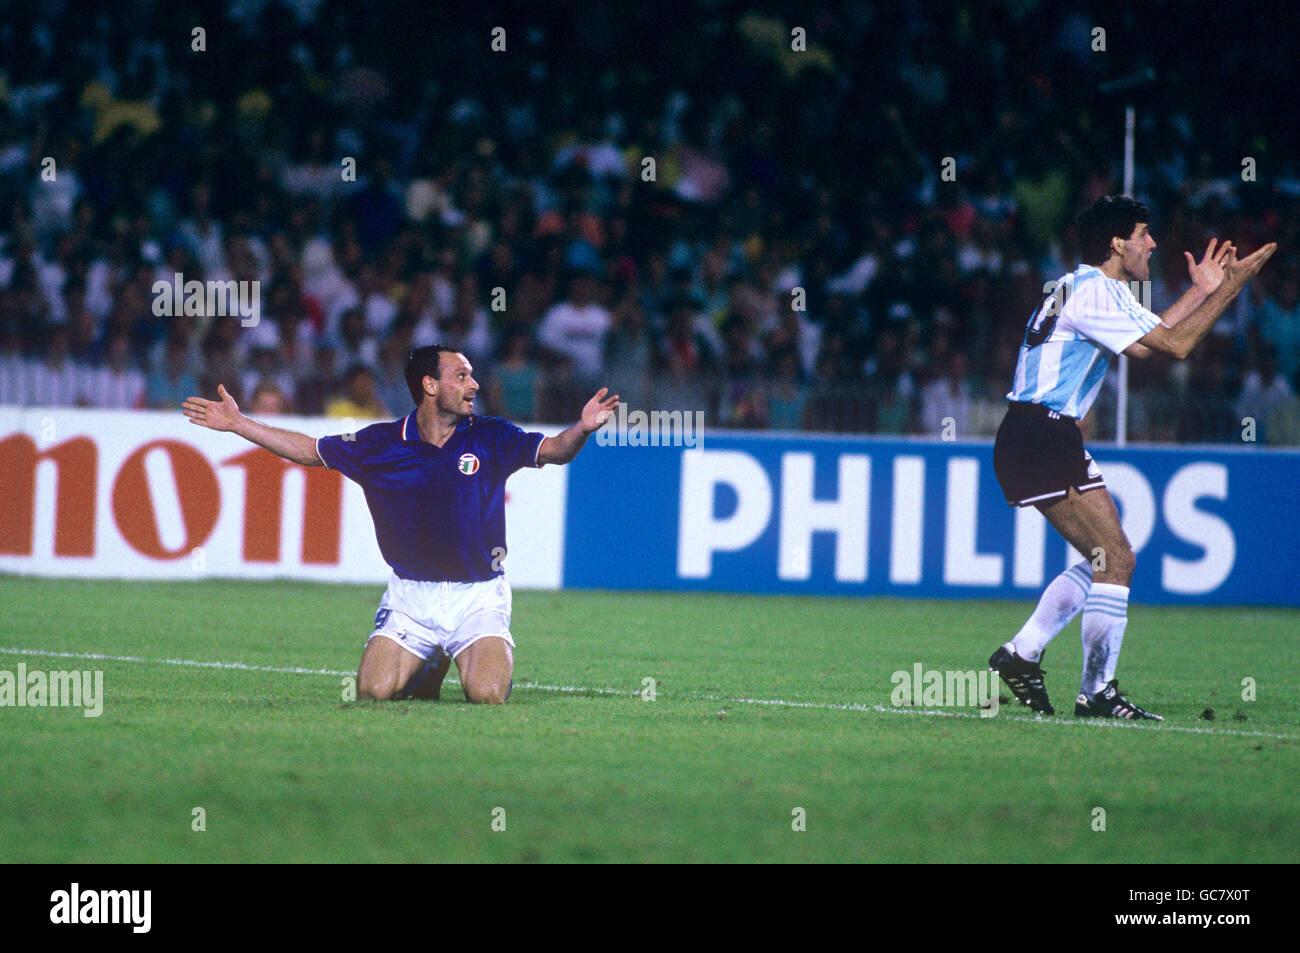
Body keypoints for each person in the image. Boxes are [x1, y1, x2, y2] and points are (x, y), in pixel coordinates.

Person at [182, 344, 619, 704]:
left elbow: (557, 450)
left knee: (486, 695)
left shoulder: (492, 435)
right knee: (373, 691)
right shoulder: (382, 443)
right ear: (430, 385)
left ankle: (458, 651)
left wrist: (581, 429)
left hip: (478, 596)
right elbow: (308, 450)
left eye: (472, 376)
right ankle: (431, 658)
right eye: (462, 376)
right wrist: (239, 424)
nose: (475, 385)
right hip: (411, 596)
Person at [988, 195, 1276, 720]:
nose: (1153, 243)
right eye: (1144, 233)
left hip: (1037, 434)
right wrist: (1230, 290)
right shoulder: (1096, 292)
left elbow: (1147, 344)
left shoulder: (1086, 287)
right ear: (1118, 244)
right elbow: (1177, 346)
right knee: (1116, 560)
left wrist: (1201, 290)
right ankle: (1095, 691)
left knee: (1105, 560)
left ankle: (1022, 654)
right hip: (1042, 434)